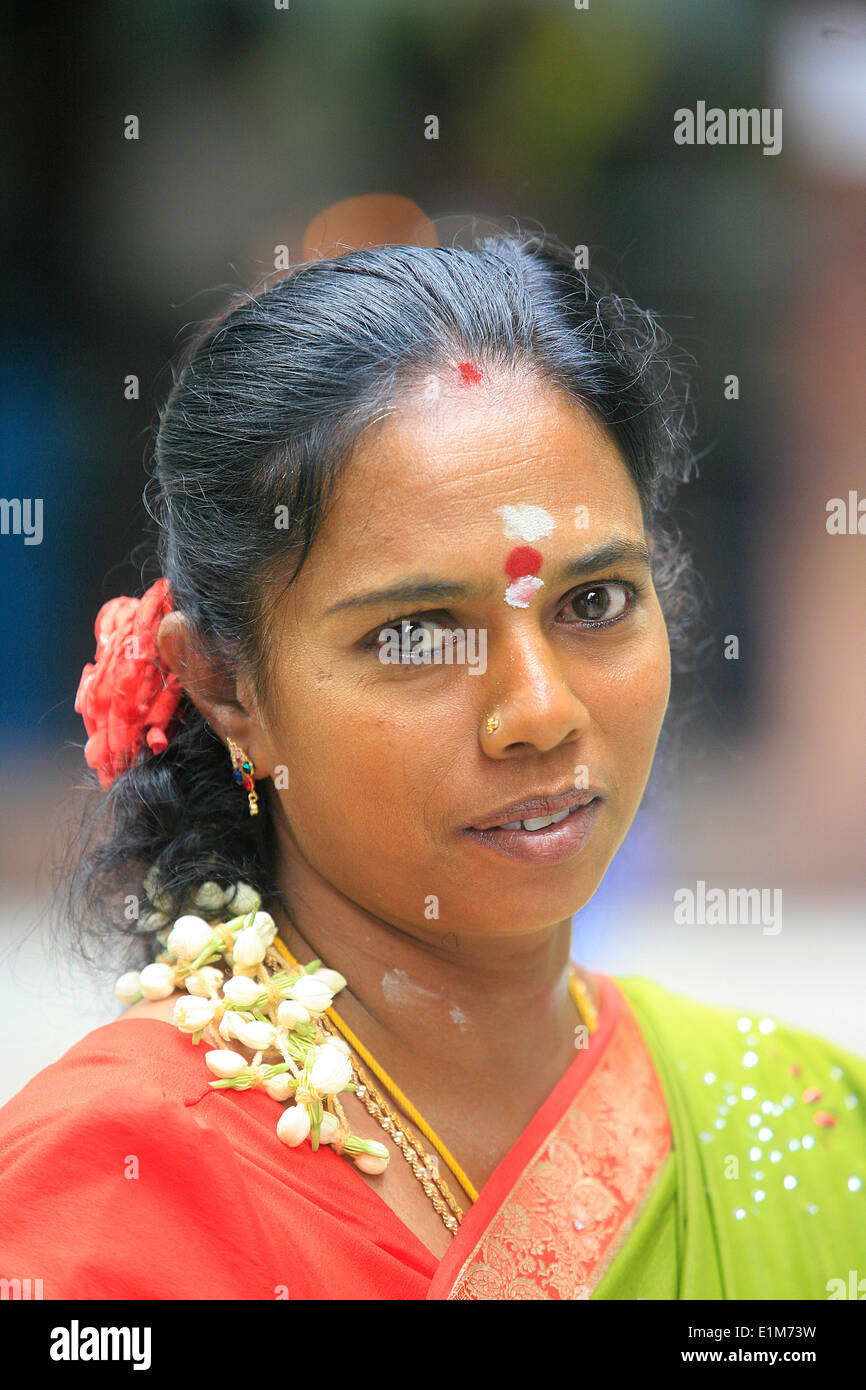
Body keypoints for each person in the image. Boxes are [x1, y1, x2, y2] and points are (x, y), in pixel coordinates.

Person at [0, 231, 862, 1301]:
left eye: (594, 602)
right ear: (228, 691)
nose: (539, 711)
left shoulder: (804, 1124)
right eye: (416, 636)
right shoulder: (113, 1196)